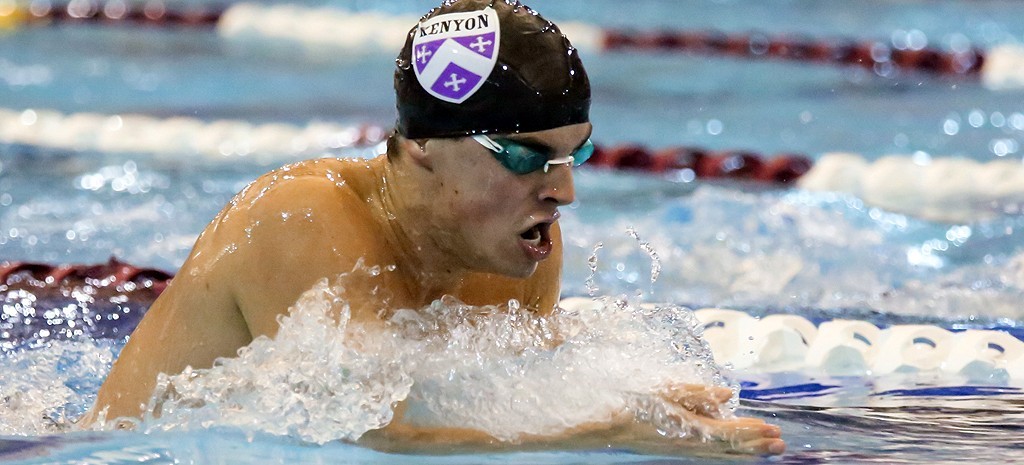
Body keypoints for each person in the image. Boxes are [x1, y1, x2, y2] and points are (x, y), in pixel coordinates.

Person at [84, 0, 785, 456]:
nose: (564, 190)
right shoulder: (300, 219)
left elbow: (495, 398)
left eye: (578, 152)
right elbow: (362, 438)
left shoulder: (520, 241)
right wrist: (607, 433)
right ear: (423, 143)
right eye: (525, 156)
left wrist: (628, 400)